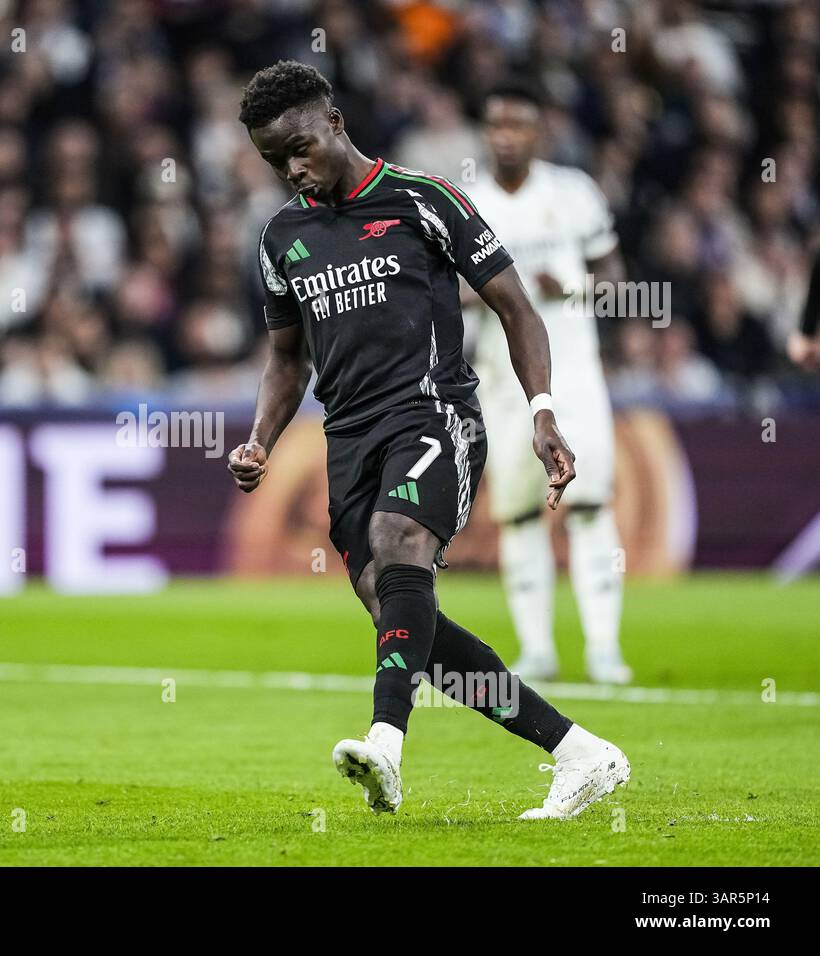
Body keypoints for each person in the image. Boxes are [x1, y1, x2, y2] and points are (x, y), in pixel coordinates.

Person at [227, 61, 629, 818]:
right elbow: (287, 357)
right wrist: (260, 442)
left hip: (435, 412)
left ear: (336, 123)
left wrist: (542, 408)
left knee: (398, 537)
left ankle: (385, 742)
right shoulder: (282, 237)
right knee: (400, 616)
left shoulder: (425, 200)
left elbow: (516, 308)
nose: (292, 169)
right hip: (347, 437)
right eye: (273, 159)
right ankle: (582, 752)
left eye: (301, 147)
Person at [465, 80, 631, 684]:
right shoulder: (468, 202)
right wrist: (479, 292)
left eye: (518, 125)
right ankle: (537, 649)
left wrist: (578, 287)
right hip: (502, 379)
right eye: (497, 125)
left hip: (576, 372)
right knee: (516, 513)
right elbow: (443, 288)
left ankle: (604, 648)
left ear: (539, 132)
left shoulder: (574, 193)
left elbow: (614, 272)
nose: (506, 136)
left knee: (588, 505)